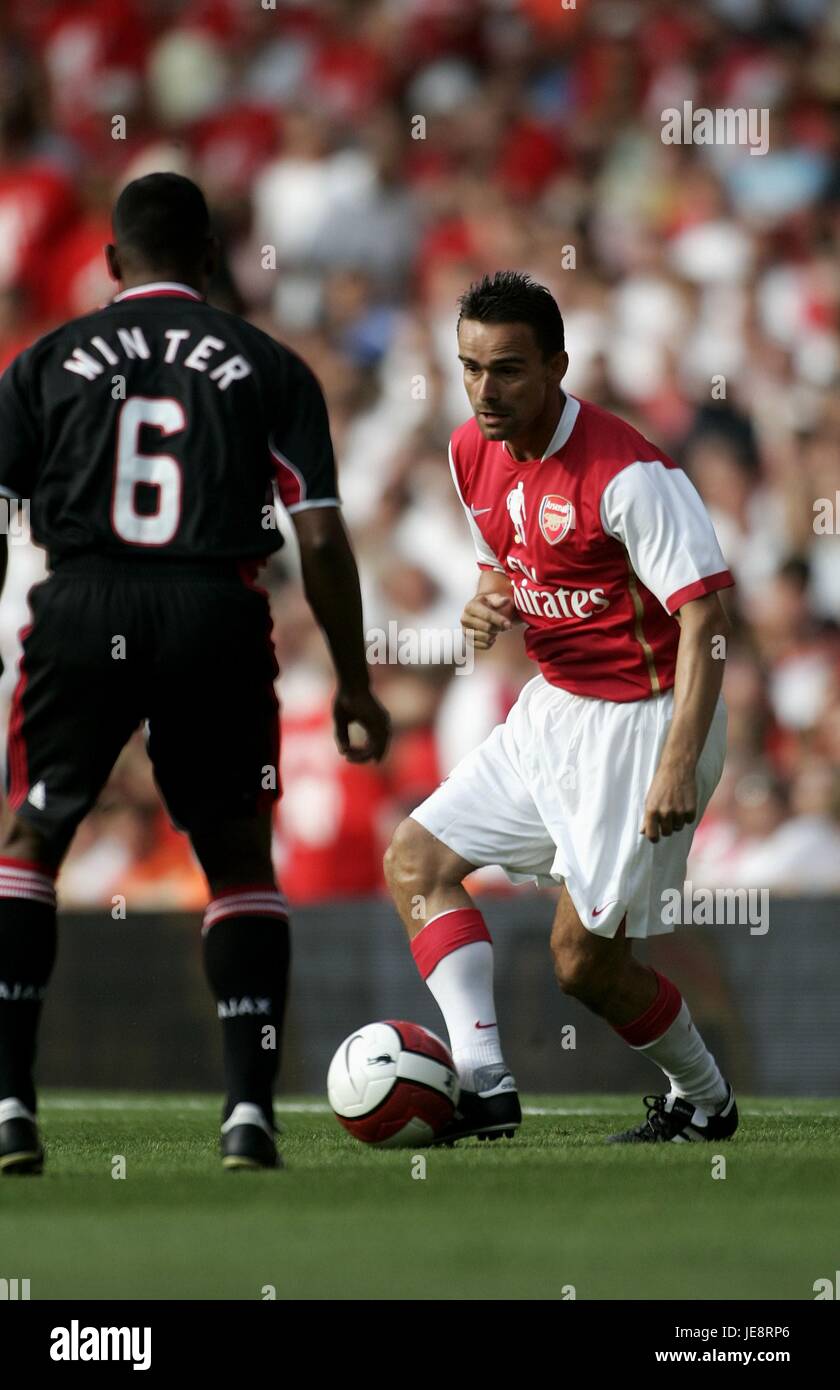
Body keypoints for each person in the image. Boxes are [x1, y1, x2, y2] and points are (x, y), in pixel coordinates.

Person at [0, 172, 390, 1174]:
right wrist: (352, 680)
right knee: (238, 858)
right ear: (210, 262)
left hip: (82, 604)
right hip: (214, 611)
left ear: (112, 261)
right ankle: (249, 1113)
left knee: (32, 835)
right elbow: (324, 538)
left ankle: (8, 1102)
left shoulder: (43, 360)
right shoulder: (269, 365)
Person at [384, 270, 738, 1145]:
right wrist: (486, 597)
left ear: (557, 366)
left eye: (507, 369)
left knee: (584, 964)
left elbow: (708, 622)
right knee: (415, 861)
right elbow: (504, 560)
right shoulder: (472, 450)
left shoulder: (630, 472)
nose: (485, 390)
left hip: (646, 719)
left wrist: (677, 759)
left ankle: (706, 1099)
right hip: (555, 708)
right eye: (470, 368)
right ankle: (486, 1083)